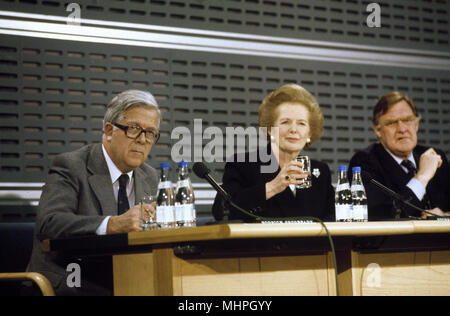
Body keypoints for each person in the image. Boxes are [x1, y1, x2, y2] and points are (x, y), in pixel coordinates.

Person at [26, 90, 161, 295]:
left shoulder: (150, 176)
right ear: (109, 130)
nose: (143, 140)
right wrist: (112, 224)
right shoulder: (72, 166)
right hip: (71, 278)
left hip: (127, 278)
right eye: (134, 129)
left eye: (150, 132)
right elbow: (49, 222)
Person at [212, 84, 335, 221]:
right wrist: (272, 187)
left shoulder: (320, 171)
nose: (293, 129)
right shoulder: (243, 164)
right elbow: (222, 211)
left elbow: (333, 218)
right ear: (270, 130)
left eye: (301, 123)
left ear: (309, 133)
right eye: (285, 122)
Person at [349, 91, 450, 220]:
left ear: (416, 125)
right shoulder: (365, 162)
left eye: (408, 120)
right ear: (377, 130)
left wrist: (444, 216)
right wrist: (422, 177)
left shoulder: (435, 156)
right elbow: (384, 215)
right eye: (392, 123)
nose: (402, 129)